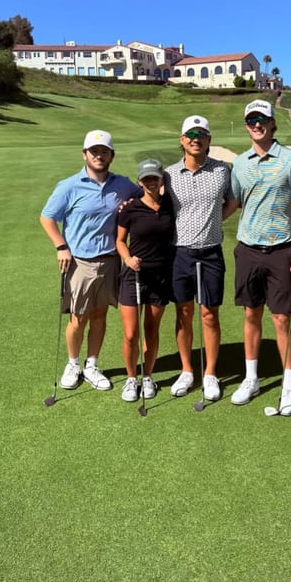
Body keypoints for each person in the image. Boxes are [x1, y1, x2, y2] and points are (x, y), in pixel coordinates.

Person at [229, 100, 291, 416]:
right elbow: (233, 204)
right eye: (251, 119)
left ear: (272, 122)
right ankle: (251, 379)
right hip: (248, 250)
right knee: (251, 315)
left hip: (283, 251)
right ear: (246, 124)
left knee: (281, 319)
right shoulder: (239, 164)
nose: (257, 124)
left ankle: (288, 385)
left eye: (262, 119)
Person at [39, 130, 142, 391]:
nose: (99, 155)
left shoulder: (123, 185)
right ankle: (73, 363)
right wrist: (61, 246)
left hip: (109, 260)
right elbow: (47, 217)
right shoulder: (69, 185)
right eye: (94, 151)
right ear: (84, 154)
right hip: (79, 262)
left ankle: (92, 364)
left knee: (100, 315)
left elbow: (147, 194)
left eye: (104, 151)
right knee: (78, 317)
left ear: (111, 155)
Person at [163, 115, 239, 401]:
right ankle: (187, 371)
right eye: (190, 134)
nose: (196, 138)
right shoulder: (169, 174)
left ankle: (209, 373)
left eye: (202, 134)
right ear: (182, 140)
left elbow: (233, 200)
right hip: (180, 253)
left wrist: (218, 220)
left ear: (209, 140)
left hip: (210, 253)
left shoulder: (222, 170)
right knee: (183, 313)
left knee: (209, 314)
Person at [116, 158, 175, 402]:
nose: (151, 182)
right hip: (134, 274)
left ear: (162, 180)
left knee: (151, 330)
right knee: (131, 333)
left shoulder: (170, 205)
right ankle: (132, 378)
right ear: (139, 181)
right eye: (146, 178)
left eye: (155, 178)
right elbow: (120, 241)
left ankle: (147, 376)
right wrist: (128, 258)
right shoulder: (130, 209)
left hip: (160, 275)